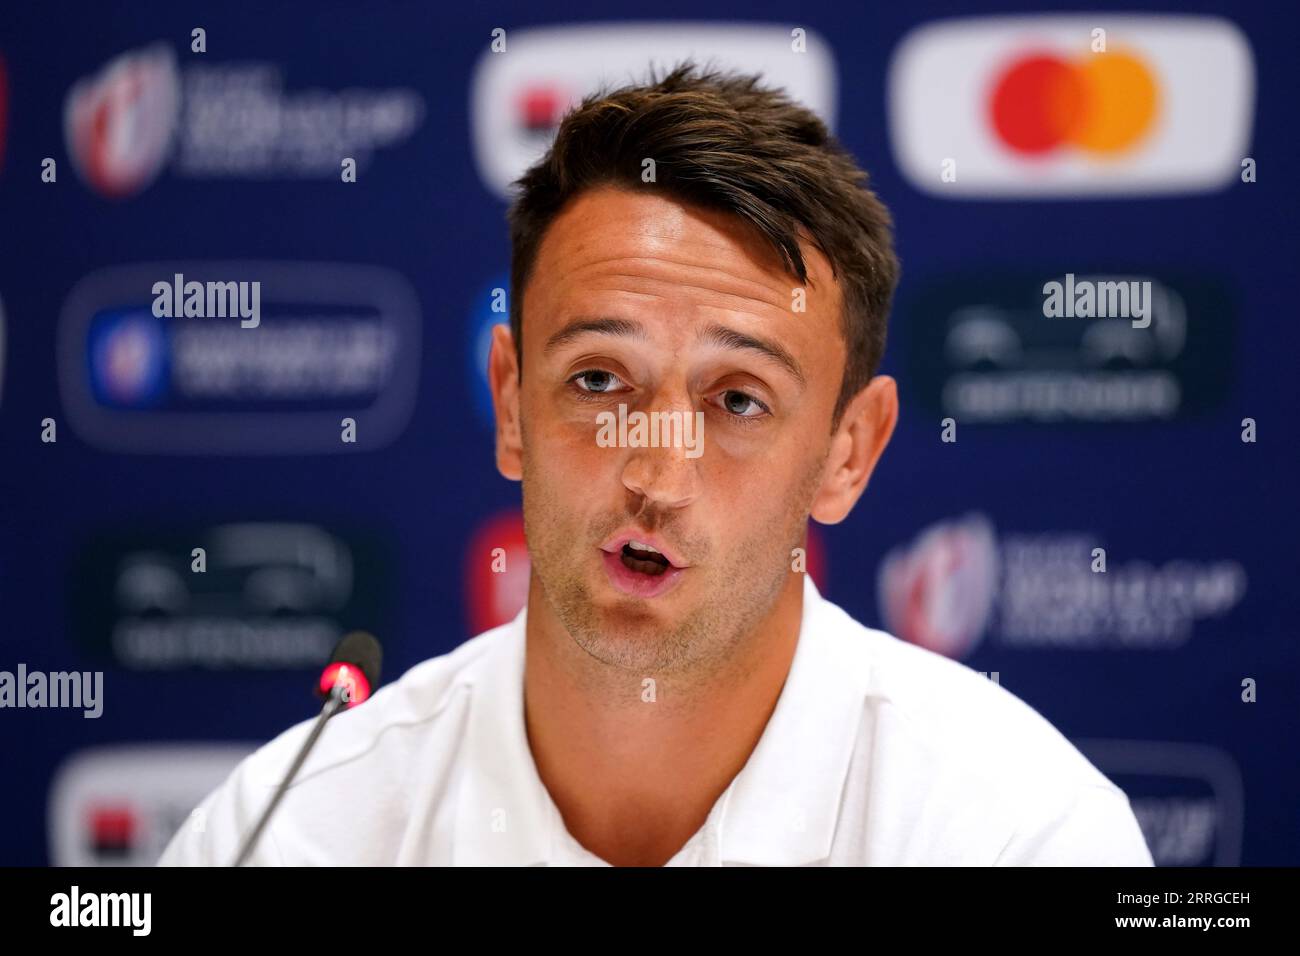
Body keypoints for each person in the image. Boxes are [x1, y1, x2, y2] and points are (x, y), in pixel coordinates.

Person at [160, 65, 1153, 867]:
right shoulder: (283, 834)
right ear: (509, 401)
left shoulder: (1021, 834)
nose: (657, 476)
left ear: (847, 452)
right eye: (598, 379)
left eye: (737, 402)